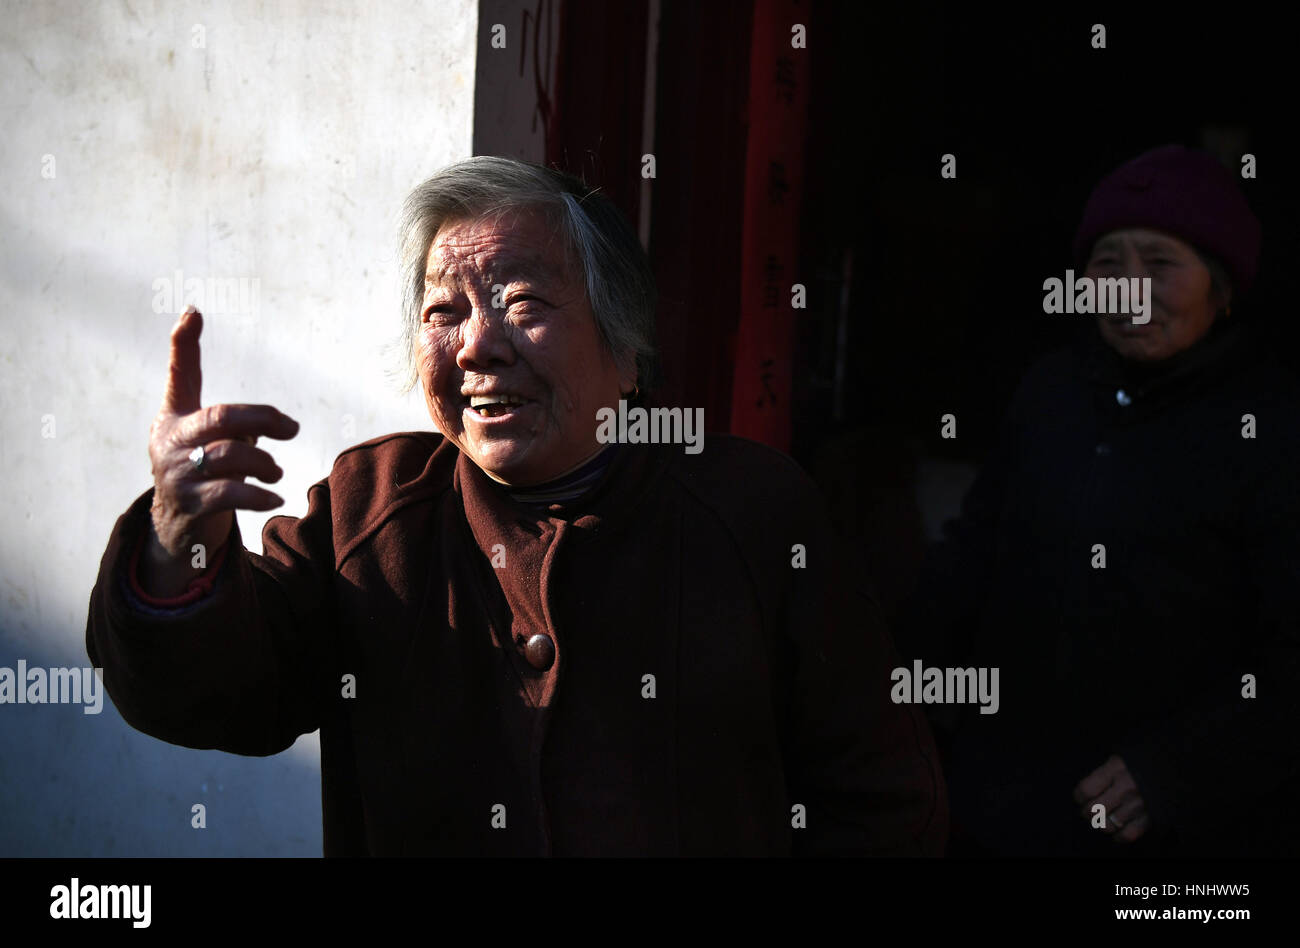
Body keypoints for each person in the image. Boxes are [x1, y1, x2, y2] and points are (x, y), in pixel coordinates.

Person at [85, 156, 947, 856]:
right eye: (443, 312)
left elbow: (881, 802)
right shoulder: (371, 512)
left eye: (523, 304)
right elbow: (219, 695)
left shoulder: (750, 513)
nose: (477, 345)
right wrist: (178, 541)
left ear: (628, 354)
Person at [900, 144, 1300, 857]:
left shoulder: (1270, 425)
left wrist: (1174, 773)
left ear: (1224, 287)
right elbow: (973, 555)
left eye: (1160, 263)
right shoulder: (1053, 390)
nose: (1126, 288)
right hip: (1005, 805)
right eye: (1107, 263)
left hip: (1175, 831)